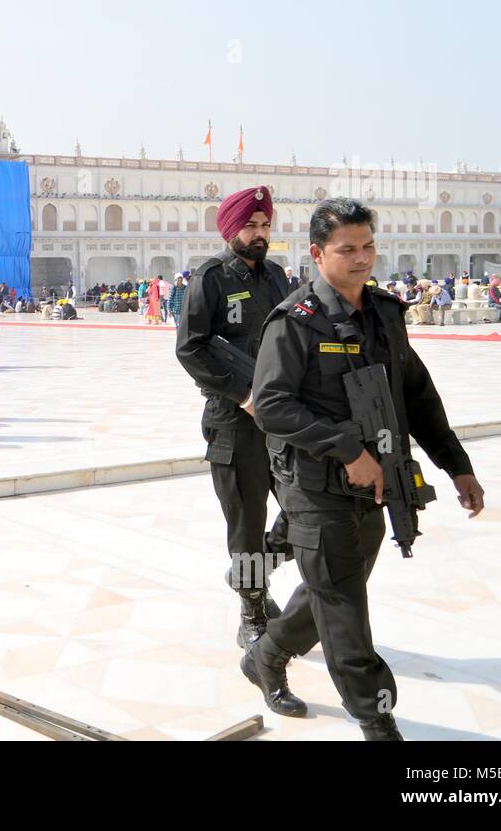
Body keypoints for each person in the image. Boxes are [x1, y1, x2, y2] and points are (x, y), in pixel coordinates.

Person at [248, 198, 484, 740]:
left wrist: (457, 467)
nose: (362, 259)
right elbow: (274, 405)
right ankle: (378, 722)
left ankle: (266, 653)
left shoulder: (383, 312)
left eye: (368, 246)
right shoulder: (295, 322)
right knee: (346, 612)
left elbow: (417, 394)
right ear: (317, 254)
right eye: (347, 249)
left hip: (377, 484)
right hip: (314, 487)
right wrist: (346, 450)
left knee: (334, 587)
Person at [176, 186, 289, 647]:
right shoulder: (211, 278)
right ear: (231, 229)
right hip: (234, 419)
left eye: (265, 225)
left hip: (283, 417)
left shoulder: (278, 277)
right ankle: (253, 609)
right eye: (251, 226)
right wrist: (243, 395)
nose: (260, 234)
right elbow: (190, 348)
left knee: (303, 511)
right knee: (245, 521)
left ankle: (251, 573)